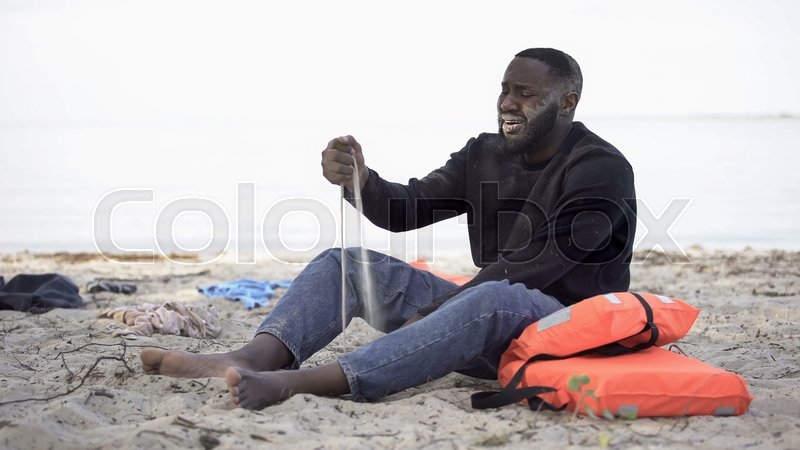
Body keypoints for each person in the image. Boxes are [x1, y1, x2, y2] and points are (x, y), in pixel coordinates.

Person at [140, 48, 636, 410]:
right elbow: (407, 208)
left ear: (567, 103)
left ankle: (305, 383)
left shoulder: (601, 168)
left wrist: (440, 309)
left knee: (494, 295)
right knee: (347, 262)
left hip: (568, 331)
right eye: (504, 89)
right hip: (490, 320)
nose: (507, 102)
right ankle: (255, 357)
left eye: (524, 93)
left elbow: (539, 265)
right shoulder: (483, 152)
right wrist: (362, 181)